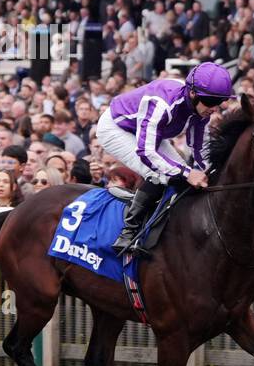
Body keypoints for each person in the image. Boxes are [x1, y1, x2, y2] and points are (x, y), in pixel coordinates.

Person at [99, 61, 233, 256]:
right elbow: (146, 152)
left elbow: (199, 149)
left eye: (219, 102)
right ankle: (128, 233)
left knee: (179, 172)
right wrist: (187, 172)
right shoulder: (162, 102)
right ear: (193, 93)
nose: (214, 108)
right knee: (160, 173)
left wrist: (209, 172)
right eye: (211, 102)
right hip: (116, 128)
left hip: (149, 132)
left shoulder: (201, 109)